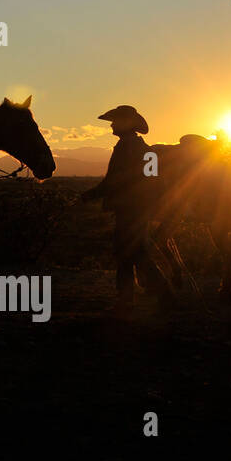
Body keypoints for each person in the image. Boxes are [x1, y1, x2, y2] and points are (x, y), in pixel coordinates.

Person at [80, 105, 175, 314]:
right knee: (134, 252)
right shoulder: (146, 150)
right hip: (139, 209)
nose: (112, 125)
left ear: (127, 123)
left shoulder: (126, 148)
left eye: (115, 121)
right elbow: (154, 181)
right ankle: (151, 295)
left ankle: (135, 298)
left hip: (130, 209)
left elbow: (113, 181)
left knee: (128, 253)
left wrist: (91, 195)